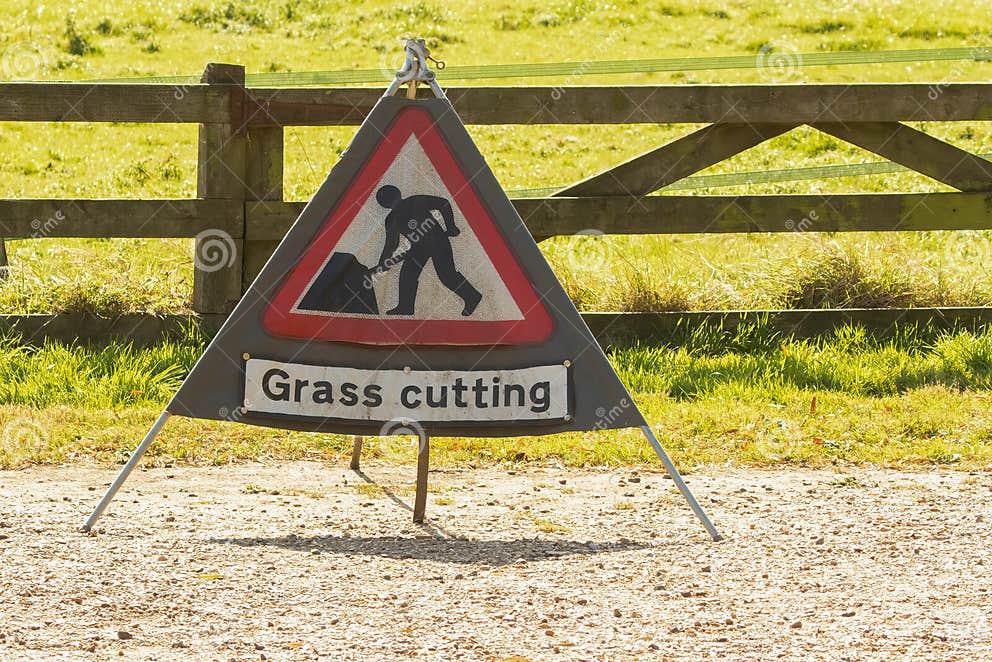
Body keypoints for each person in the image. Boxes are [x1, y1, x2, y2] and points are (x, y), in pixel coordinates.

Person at [374, 184, 482, 316]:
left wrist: (451, 226)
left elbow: (443, 203)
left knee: (447, 275)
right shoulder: (392, 218)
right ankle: (405, 306)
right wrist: (382, 264)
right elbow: (391, 245)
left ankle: (472, 296)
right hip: (418, 248)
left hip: (437, 240)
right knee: (407, 275)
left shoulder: (415, 201)